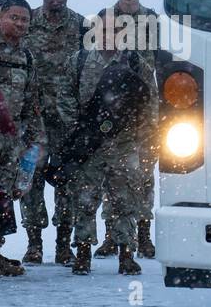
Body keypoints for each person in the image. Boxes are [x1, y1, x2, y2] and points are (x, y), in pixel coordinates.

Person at [65, 15, 156, 276]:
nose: (109, 35)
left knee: (126, 199)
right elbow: (65, 96)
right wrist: (79, 130)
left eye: (116, 30)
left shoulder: (136, 63)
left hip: (124, 144)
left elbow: (149, 102)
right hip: (89, 144)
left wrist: (144, 136)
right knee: (84, 199)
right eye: (104, 29)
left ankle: (126, 252)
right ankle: (82, 252)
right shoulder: (80, 61)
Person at [0, 0, 44, 278]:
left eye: (24, 19)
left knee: (3, 196)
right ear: (0, 17)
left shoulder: (27, 57)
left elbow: (32, 102)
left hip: (11, 142)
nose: (19, 23)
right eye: (13, 17)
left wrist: (34, 141)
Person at [94, 0, 159, 259]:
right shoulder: (105, 18)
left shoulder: (151, 19)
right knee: (114, 172)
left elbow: (156, 61)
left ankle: (143, 236)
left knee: (144, 172)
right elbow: (97, 60)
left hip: (144, 107)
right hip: (114, 105)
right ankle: (112, 236)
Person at [21, 0, 84, 265]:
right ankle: (34, 243)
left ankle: (63, 244)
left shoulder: (82, 26)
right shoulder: (27, 22)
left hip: (67, 119)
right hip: (34, 118)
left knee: (66, 180)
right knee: (30, 178)